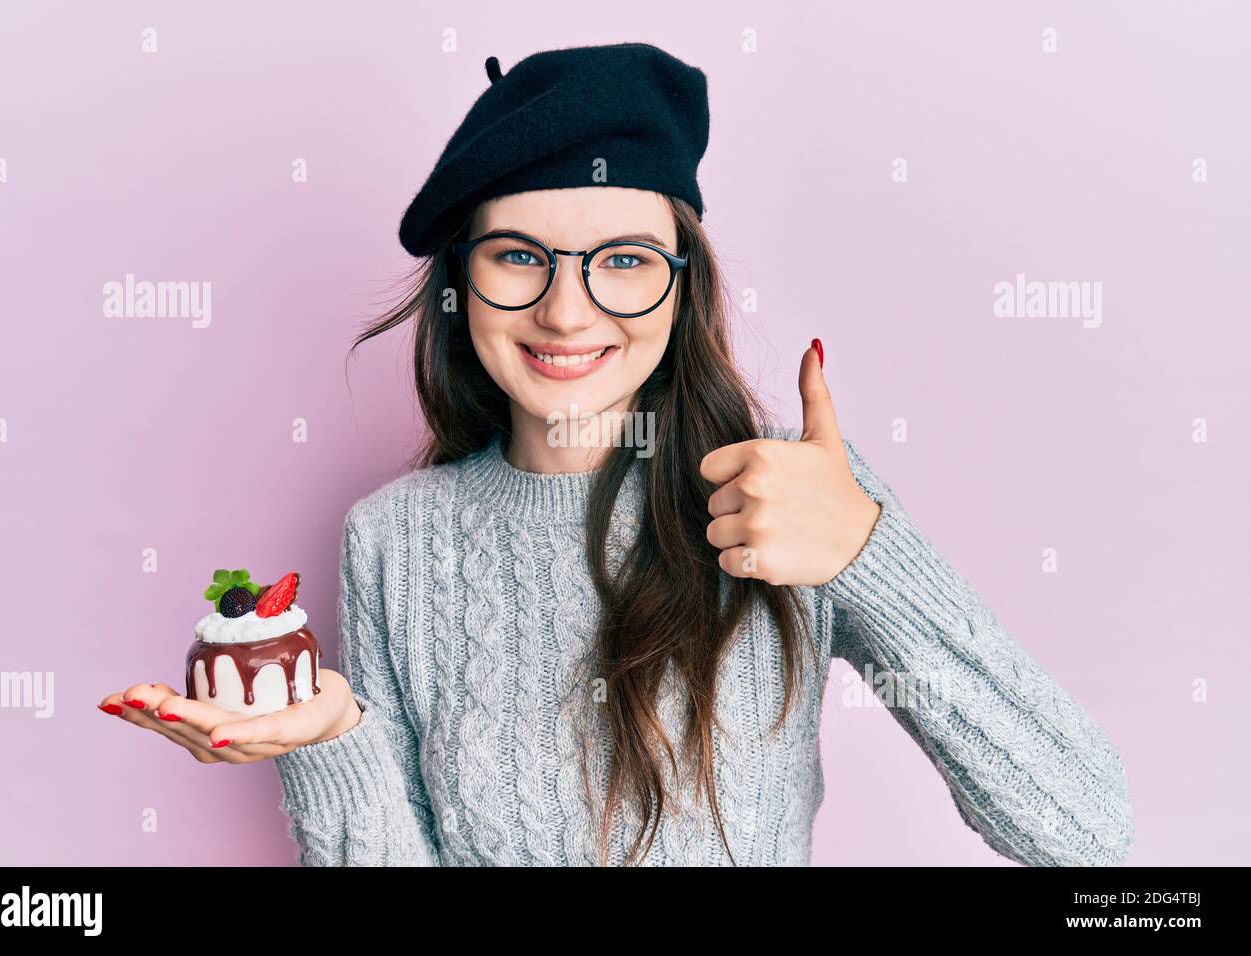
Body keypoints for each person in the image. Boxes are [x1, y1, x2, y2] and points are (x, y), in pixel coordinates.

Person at [98, 42, 1134, 867]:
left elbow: (1086, 835)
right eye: (518, 257)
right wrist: (329, 744)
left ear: (682, 286)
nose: (565, 307)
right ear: (461, 284)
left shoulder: (788, 491)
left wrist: (867, 550)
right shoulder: (393, 538)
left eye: (623, 261)